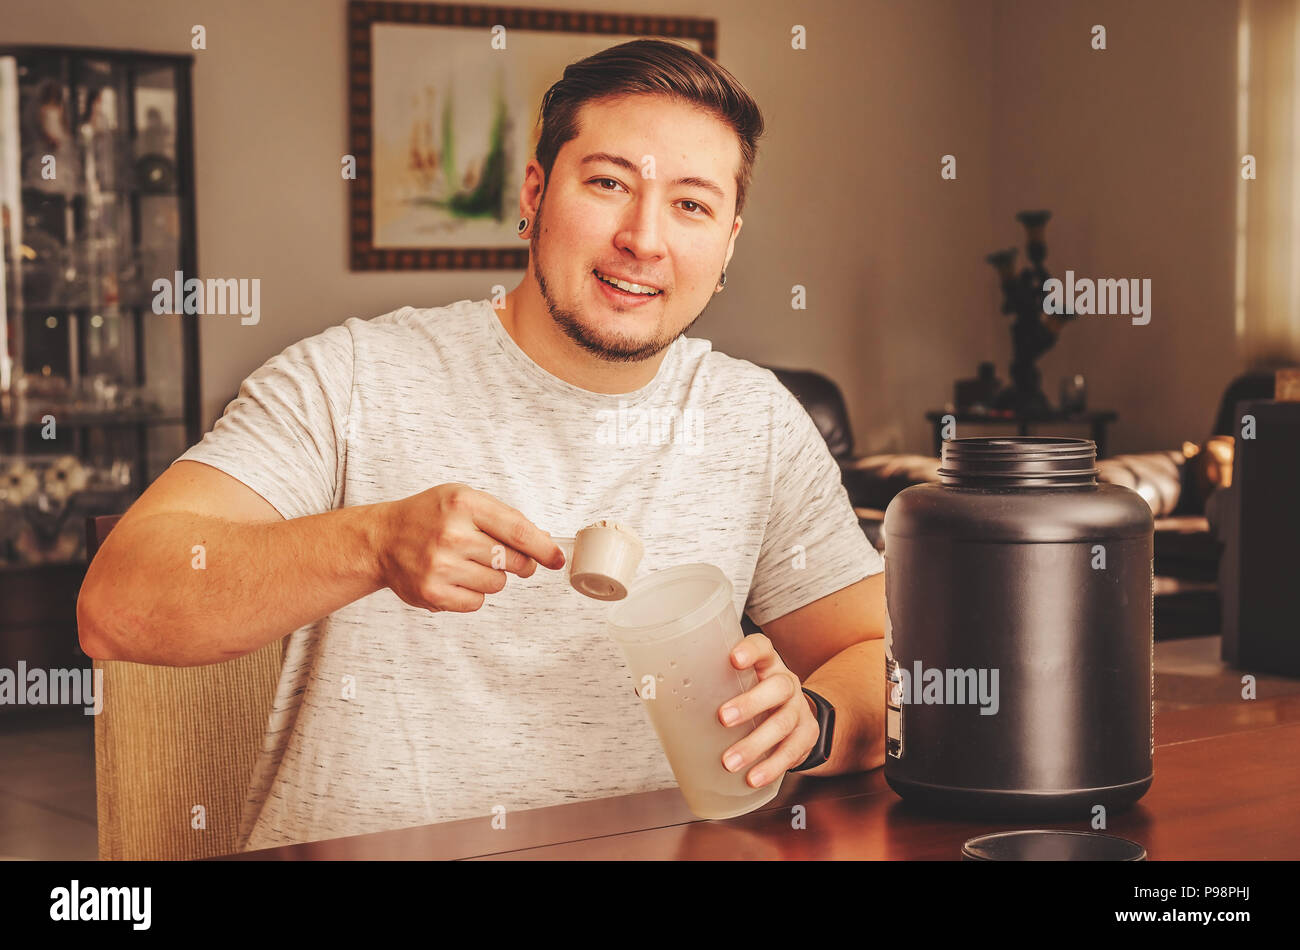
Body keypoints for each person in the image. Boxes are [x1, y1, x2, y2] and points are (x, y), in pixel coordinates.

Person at [78, 38, 887, 852]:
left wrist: (814, 723)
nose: (644, 239)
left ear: (728, 246)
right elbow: (118, 604)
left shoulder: (756, 420)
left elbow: (881, 656)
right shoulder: (353, 376)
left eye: (691, 204)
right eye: (609, 184)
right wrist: (371, 544)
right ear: (534, 193)